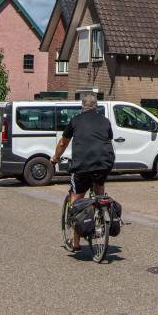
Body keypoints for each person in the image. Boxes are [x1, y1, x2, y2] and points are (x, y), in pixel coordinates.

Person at [50, 93, 115, 251]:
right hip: (104, 164)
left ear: (82, 106)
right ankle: (101, 215)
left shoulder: (76, 120)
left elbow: (63, 143)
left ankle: (76, 243)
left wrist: (55, 158)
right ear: (96, 106)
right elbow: (108, 139)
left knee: (76, 200)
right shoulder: (105, 121)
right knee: (99, 190)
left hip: (82, 165)